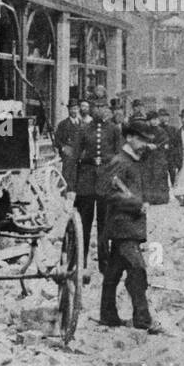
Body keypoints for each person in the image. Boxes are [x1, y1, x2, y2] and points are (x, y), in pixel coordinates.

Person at [99, 119, 163, 333]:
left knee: (114, 272)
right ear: (129, 138)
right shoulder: (120, 161)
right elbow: (108, 193)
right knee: (137, 268)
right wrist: (136, 204)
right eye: (142, 139)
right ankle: (143, 318)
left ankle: (107, 314)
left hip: (130, 228)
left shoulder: (134, 161)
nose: (145, 143)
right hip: (122, 227)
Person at [71, 88, 119, 272]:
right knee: (83, 223)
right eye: (96, 106)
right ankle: (80, 261)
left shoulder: (114, 130)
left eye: (102, 106)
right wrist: (72, 185)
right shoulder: (83, 130)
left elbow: (119, 157)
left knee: (104, 224)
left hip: (105, 183)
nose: (99, 110)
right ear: (90, 108)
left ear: (107, 108)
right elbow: (74, 157)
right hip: (86, 182)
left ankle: (104, 262)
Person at [53, 97, 85, 192]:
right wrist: (63, 148)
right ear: (68, 110)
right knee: (67, 177)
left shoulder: (82, 124)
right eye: (72, 109)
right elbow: (57, 140)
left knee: (79, 177)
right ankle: (66, 196)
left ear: (78, 109)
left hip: (79, 154)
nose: (74, 111)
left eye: (75, 108)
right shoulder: (63, 124)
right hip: (68, 155)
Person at [141, 110, 172, 206]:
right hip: (148, 158)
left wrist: (157, 146)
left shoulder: (161, 131)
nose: (154, 121)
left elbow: (165, 142)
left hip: (159, 158)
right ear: (148, 121)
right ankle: (148, 198)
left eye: (155, 119)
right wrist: (147, 145)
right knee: (147, 177)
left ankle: (161, 198)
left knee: (159, 177)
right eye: (152, 119)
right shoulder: (144, 131)